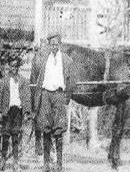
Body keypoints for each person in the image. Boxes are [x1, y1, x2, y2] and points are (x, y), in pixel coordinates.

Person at [34, 32, 74, 172]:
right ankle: (46, 163)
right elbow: (38, 79)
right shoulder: (44, 58)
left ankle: (59, 164)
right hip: (45, 95)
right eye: (51, 44)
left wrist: (66, 97)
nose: (54, 46)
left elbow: (70, 81)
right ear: (49, 45)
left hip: (58, 95)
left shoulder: (67, 60)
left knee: (58, 129)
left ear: (60, 45)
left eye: (56, 44)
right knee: (45, 128)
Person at [0, 56, 32, 172]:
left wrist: (26, 112)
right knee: (5, 136)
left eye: (16, 66)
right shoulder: (4, 80)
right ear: (8, 66)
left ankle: (16, 163)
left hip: (17, 111)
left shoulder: (23, 81)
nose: (13, 68)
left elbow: (27, 98)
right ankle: (2, 161)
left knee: (16, 136)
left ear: (18, 67)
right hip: (7, 111)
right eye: (11, 66)